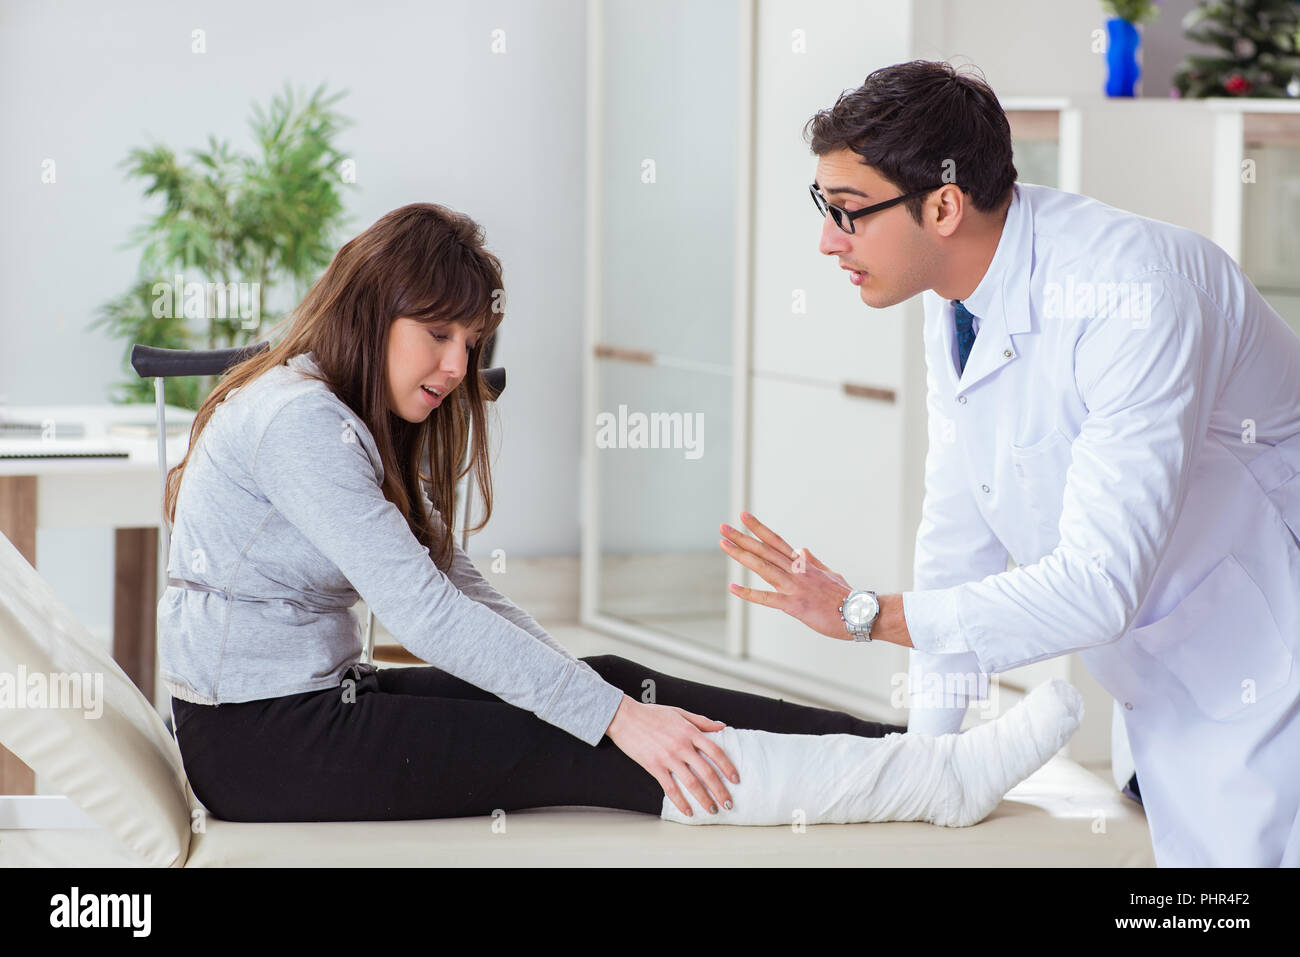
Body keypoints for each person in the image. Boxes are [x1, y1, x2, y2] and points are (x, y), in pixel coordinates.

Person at [159, 202, 1082, 831]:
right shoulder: (300, 423)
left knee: (605, 679)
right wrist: (611, 723)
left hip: (306, 709)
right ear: (371, 310)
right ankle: (931, 785)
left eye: (469, 342)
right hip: (259, 745)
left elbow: (453, 579)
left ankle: (917, 751)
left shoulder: (343, 410)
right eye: (438, 335)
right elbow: (424, 615)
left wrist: (597, 694)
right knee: (582, 741)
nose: (456, 367)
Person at [720, 60, 1300, 865]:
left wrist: (865, 614)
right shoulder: (958, 300)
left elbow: (1096, 587)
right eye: (825, 207)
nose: (828, 240)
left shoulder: (1133, 294)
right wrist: (930, 760)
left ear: (943, 205)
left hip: (1268, 660)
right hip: (1170, 657)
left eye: (848, 211)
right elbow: (960, 533)